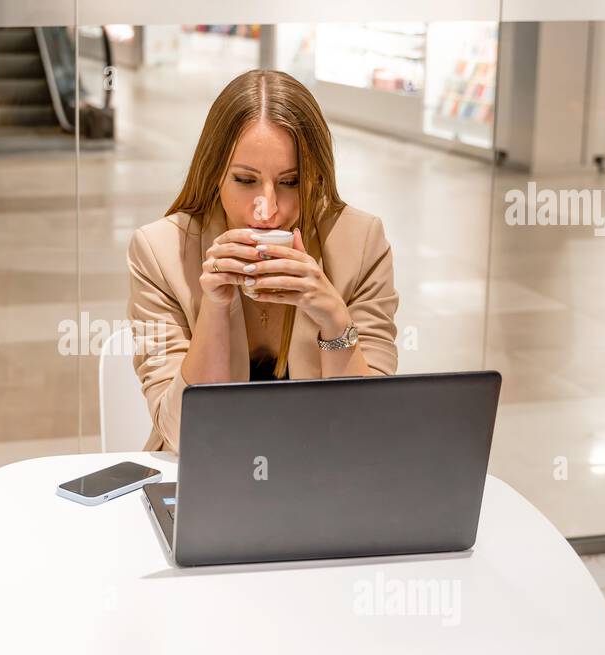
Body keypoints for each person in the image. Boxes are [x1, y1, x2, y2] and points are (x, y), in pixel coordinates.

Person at [126, 69, 400, 453]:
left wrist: (334, 320)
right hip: (208, 476)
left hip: (321, 472)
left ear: (315, 178)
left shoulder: (360, 243)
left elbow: (366, 431)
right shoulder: (159, 253)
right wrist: (215, 308)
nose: (267, 210)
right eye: (245, 180)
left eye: (290, 182)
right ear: (214, 175)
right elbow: (184, 434)